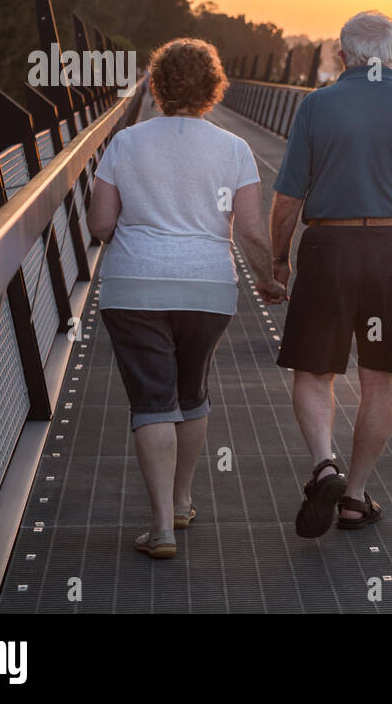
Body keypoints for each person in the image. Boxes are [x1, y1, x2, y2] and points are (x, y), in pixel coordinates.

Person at [87, 38, 286, 559]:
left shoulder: (126, 144)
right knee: (191, 391)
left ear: (156, 85)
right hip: (207, 288)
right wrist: (268, 280)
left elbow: (101, 224)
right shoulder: (234, 149)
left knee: (153, 402)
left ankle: (161, 531)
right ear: (214, 89)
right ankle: (181, 500)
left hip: (135, 287)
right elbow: (250, 233)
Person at [269, 10, 392, 537]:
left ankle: (324, 466)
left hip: (328, 246)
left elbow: (288, 197)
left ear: (341, 55)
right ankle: (353, 497)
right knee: (380, 378)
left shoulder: (316, 106)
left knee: (312, 369)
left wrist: (279, 259)